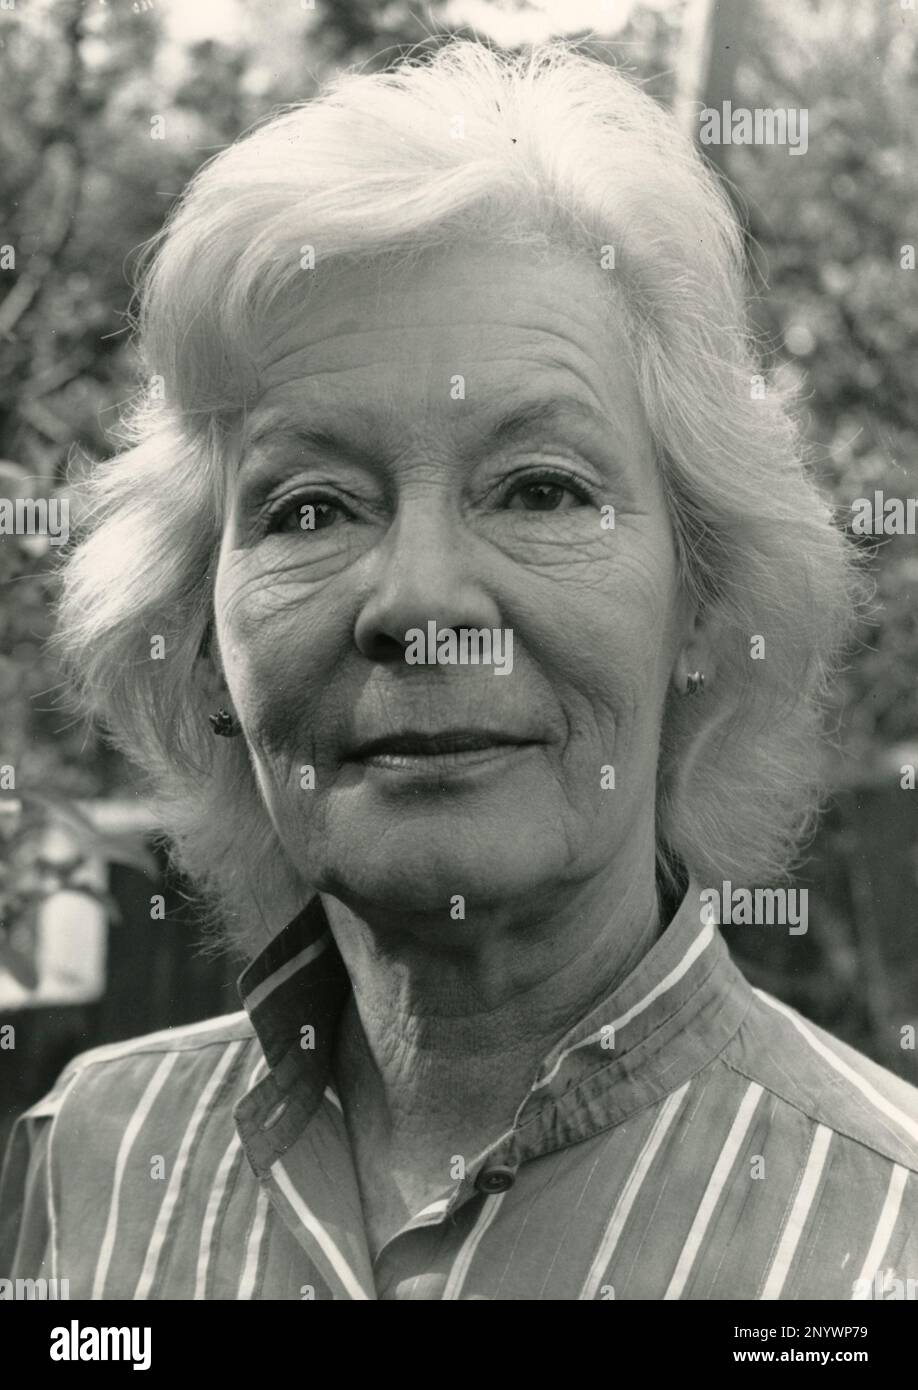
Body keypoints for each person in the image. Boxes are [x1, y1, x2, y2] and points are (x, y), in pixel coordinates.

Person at [2, 40, 915, 1301]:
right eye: (311, 508)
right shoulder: (85, 1164)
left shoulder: (882, 1244)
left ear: (704, 602)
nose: (421, 605)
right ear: (200, 636)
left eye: (543, 488)